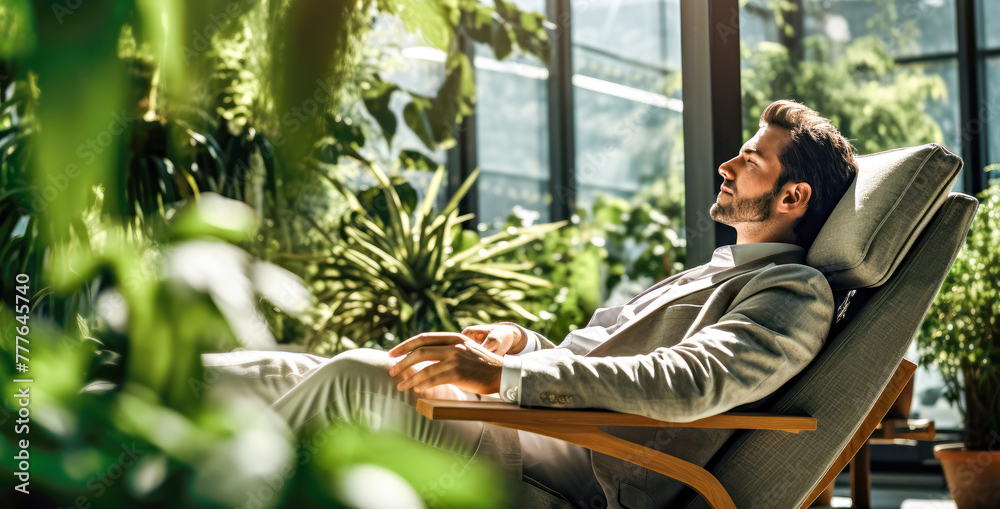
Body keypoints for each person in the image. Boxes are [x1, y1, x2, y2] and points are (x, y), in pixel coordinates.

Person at [204, 100, 858, 508]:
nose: (726, 164)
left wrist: (504, 377)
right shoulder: (721, 269)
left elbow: (687, 381)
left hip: (570, 472)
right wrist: (525, 344)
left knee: (355, 377)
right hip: (527, 426)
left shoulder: (792, 292)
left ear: (793, 197)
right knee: (256, 372)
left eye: (750, 159)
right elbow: (603, 354)